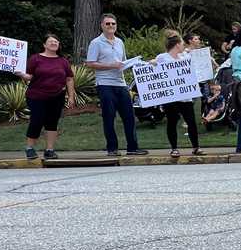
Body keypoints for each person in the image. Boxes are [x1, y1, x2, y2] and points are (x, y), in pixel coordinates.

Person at [85, 13, 147, 156]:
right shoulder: (96, 43)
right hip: (105, 83)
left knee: (129, 116)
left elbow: (123, 62)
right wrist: (111, 66)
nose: (111, 26)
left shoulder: (120, 42)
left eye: (113, 23)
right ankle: (112, 148)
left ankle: (132, 147)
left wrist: (135, 64)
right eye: (108, 24)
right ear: (101, 25)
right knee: (109, 116)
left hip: (121, 83)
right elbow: (90, 63)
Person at [13, 35, 76, 160]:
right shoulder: (36, 59)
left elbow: (69, 79)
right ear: (44, 45)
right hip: (37, 95)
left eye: (56, 41)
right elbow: (29, 77)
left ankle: (50, 150)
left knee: (52, 122)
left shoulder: (63, 61)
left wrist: (71, 96)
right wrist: (20, 74)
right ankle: (30, 148)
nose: (54, 43)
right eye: (51, 41)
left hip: (57, 96)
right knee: (37, 119)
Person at [156, 35, 202, 157]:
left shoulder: (185, 56)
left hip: (185, 96)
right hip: (170, 96)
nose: (183, 45)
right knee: (172, 121)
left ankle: (196, 147)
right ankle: (174, 148)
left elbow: (195, 67)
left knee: (191, 121)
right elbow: (154, 70)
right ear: (177, 44)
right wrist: (151, 63)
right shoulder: (162, 58)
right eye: (182, 43)